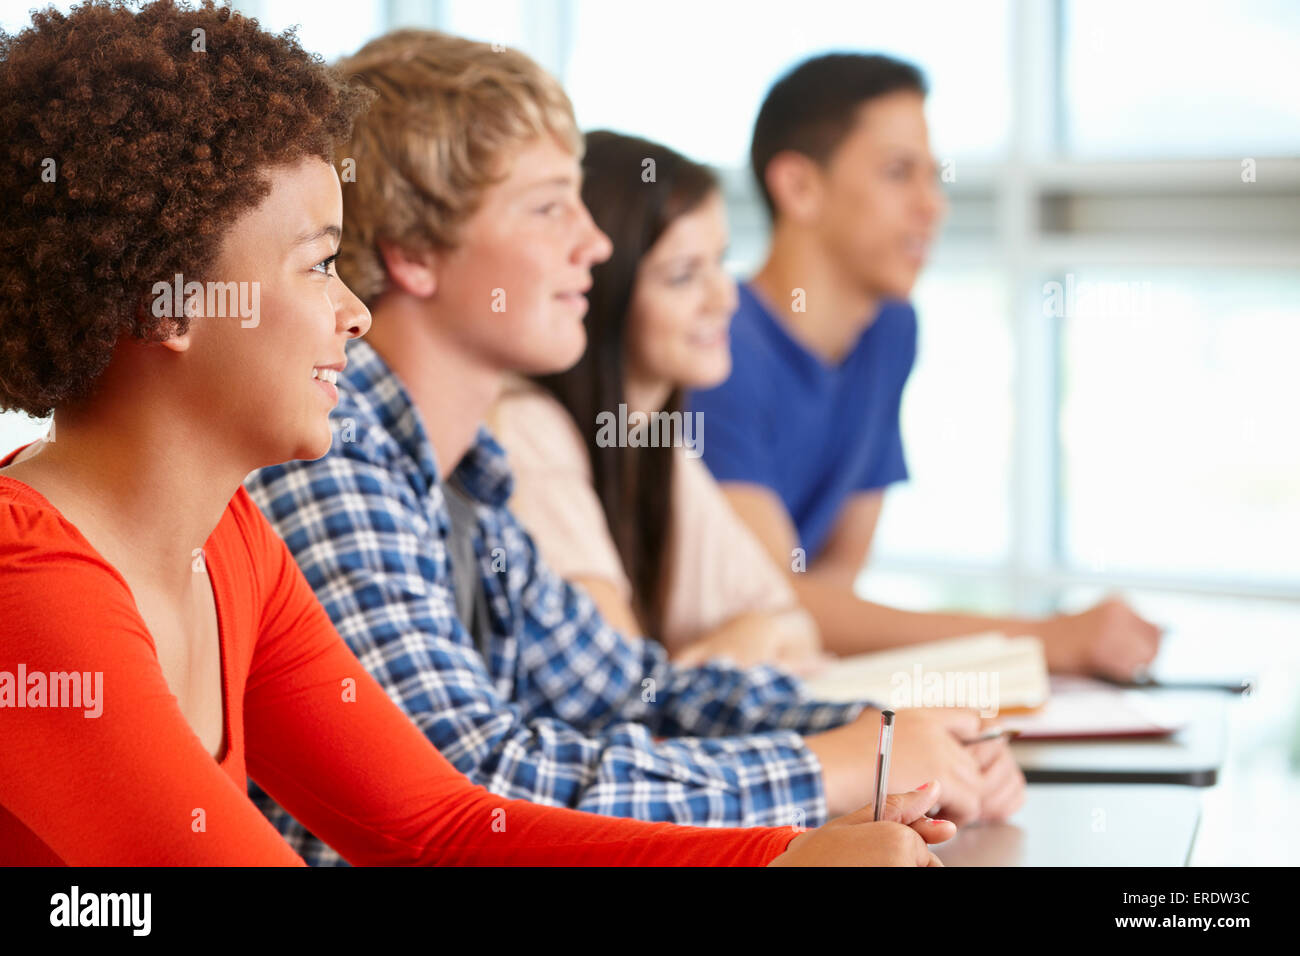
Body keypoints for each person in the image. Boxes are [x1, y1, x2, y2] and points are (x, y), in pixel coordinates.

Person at [0, 0, 953, 867]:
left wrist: (781, 862)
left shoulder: (230, 543)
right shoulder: (31, 589)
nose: (354, 313)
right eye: (318, 266)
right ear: (170, 301)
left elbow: (435, 826)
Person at [242, 29, 1022, 865]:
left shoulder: (465, 477)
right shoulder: (335, 451)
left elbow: (628, 694)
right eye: (548, 208)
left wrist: (886, 733)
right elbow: (470, 789)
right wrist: (825, 767)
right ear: (416, 253)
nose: (597, 244)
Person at [687, 53, 1162, 680]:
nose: (931, 205)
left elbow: (834, 579)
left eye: (932, 177)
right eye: (897, 173)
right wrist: (1047, 639)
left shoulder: (890, 330)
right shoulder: (715, 347)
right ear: (799, 187)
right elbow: (775, 594)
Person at [492, 130, 823, 673]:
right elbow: (618, 675)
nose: (726, 297)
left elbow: (792, 624)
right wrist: (738, 652)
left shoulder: (651, 442)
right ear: (596, 292)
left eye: (720, 262)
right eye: (683, 276)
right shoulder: (527, 425)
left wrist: (751, 636)